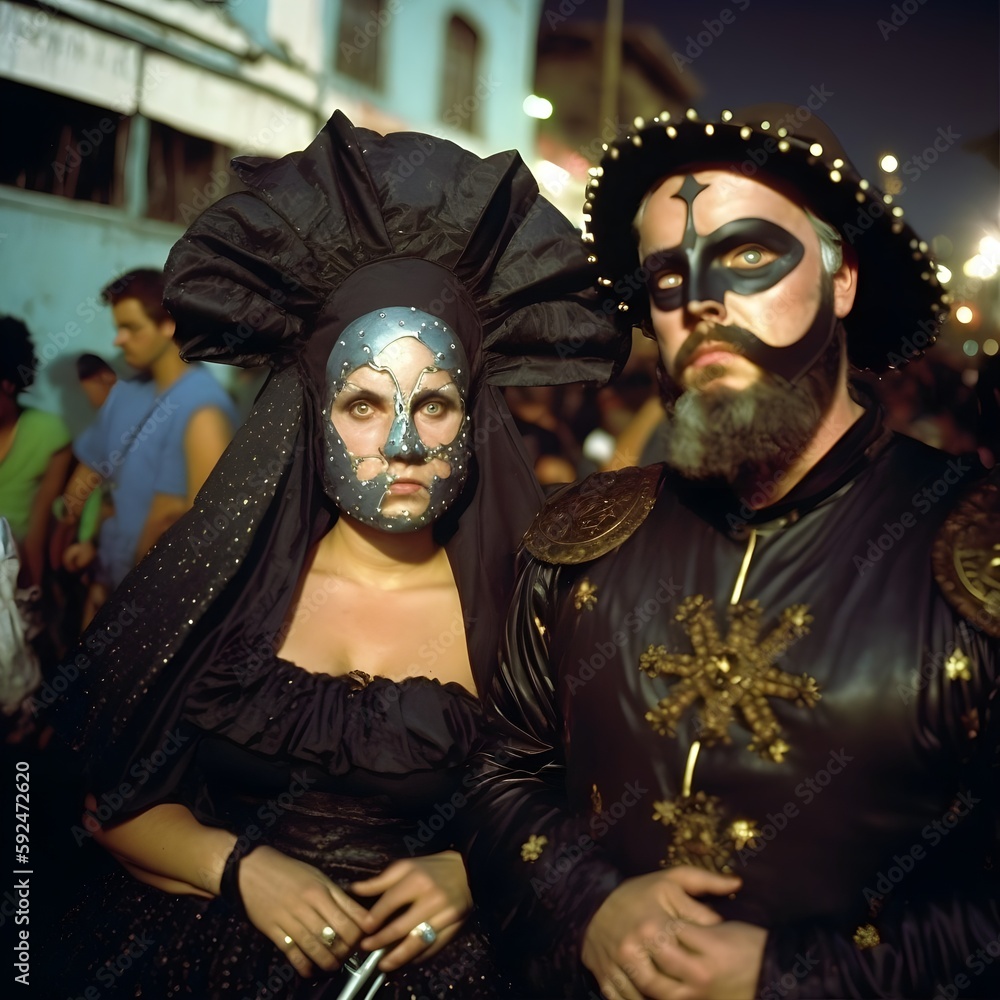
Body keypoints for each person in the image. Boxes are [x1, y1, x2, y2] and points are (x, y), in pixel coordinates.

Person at [48, 110, 624, 998]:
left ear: (474, 420)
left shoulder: (531, 608)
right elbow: (103, 799)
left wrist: (479, 869)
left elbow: (607, 806)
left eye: (434, 404)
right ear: (311, 420)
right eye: (362, 405)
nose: (402, 442)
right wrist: (236, 865)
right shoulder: (232, 586)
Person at [463, 105, 999, 999]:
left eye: (749, 255)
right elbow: (495, 770)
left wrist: (797, 975)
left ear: (842, 277)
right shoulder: (584, 539)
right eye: (668, 277)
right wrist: (585, 903)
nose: (702, 300)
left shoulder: (975, 557)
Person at [58, 268, 237, 603]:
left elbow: (172, 517)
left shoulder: (203, 409)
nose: (118, 340)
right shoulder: (126, 393)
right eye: (118, 328)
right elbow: (90, 469)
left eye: (130, 328)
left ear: (167, 326)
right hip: (104, 573)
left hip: (146, 595)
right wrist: (72, 539)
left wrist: (127, 599)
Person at [0, 316, 73, 593]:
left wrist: (33, 591)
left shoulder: (48, 433)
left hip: (14, 577)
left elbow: (39, 522)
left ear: (7, 384)